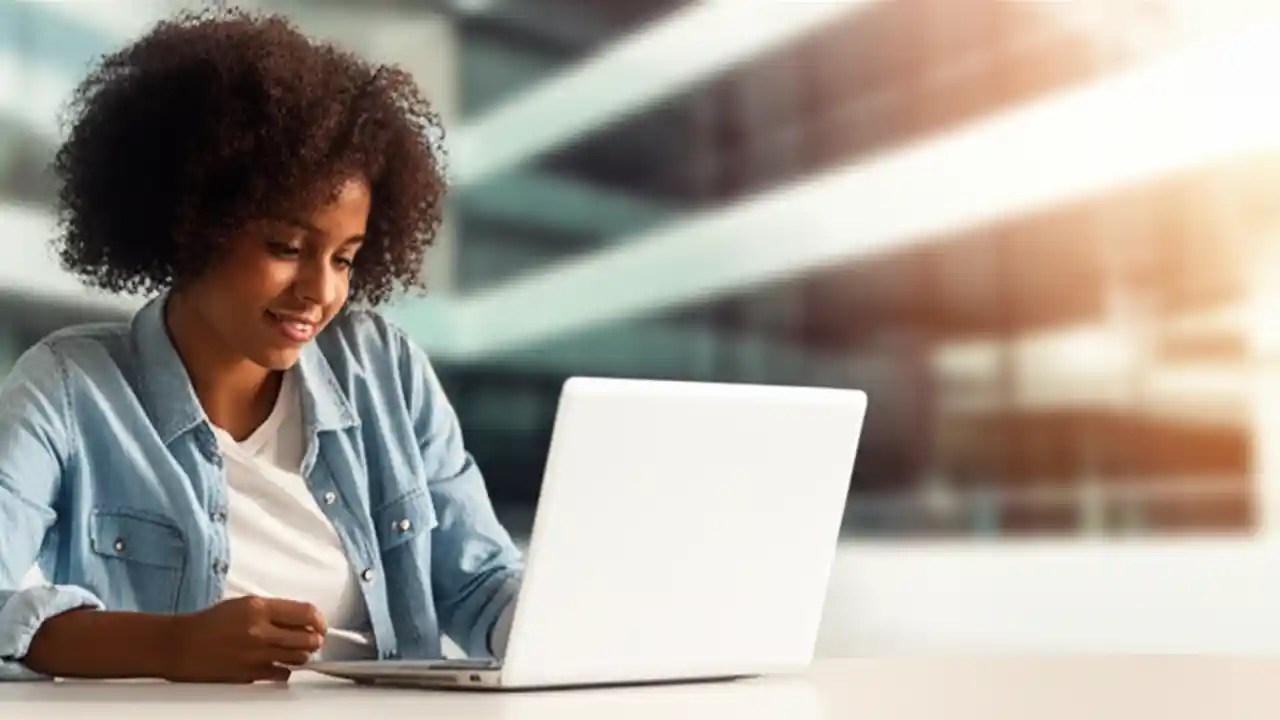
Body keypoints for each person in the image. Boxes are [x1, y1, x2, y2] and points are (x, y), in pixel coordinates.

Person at [0, 9, 522, 683]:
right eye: (286, 248)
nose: (320, 291)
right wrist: (169, 647)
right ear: (191, 226)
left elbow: (481, 586)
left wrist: (584, 622)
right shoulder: (70, 390)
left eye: (344, 259)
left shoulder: (385, 370)